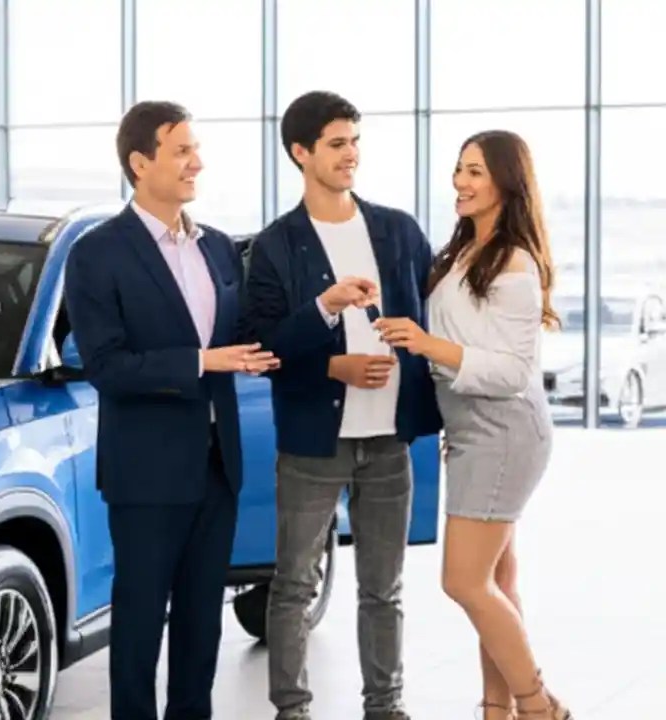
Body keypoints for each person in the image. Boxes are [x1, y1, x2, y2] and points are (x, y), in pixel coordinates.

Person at [64, 100, 280, 720]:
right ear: (140, 163)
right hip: (147, 471)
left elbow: (245, 335)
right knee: (138, 626)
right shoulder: (98, 252)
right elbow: (105, 366)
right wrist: (199, 362)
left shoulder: (214, 247)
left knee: (200, 626)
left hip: (218, 466)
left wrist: (321, 308)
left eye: (196, 149)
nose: (197, 163)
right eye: (182, 150)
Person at [244, 90, 443, 720]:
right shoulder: (276, 246)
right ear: (301, 153)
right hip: (312, 443)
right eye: (336, 143)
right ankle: (292, 710)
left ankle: (386, 708)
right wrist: (333, 342)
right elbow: (267, 343)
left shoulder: (398, 229)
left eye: (355, 140)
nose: (351, 154)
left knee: (384, 589)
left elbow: (433, 316)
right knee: (294, 586)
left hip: (389, 440)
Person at [373, 130, 572, 720]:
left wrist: (426, 342)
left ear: (507, 182)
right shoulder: (462, 252)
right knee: (498, 582)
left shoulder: (514, 263)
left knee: (463, 582)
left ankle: (540, 705)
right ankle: (496, 708)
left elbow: (512, 372)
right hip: (471, 430)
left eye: (477, 172)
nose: (461, 181)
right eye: (460, 169)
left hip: (503, 430)